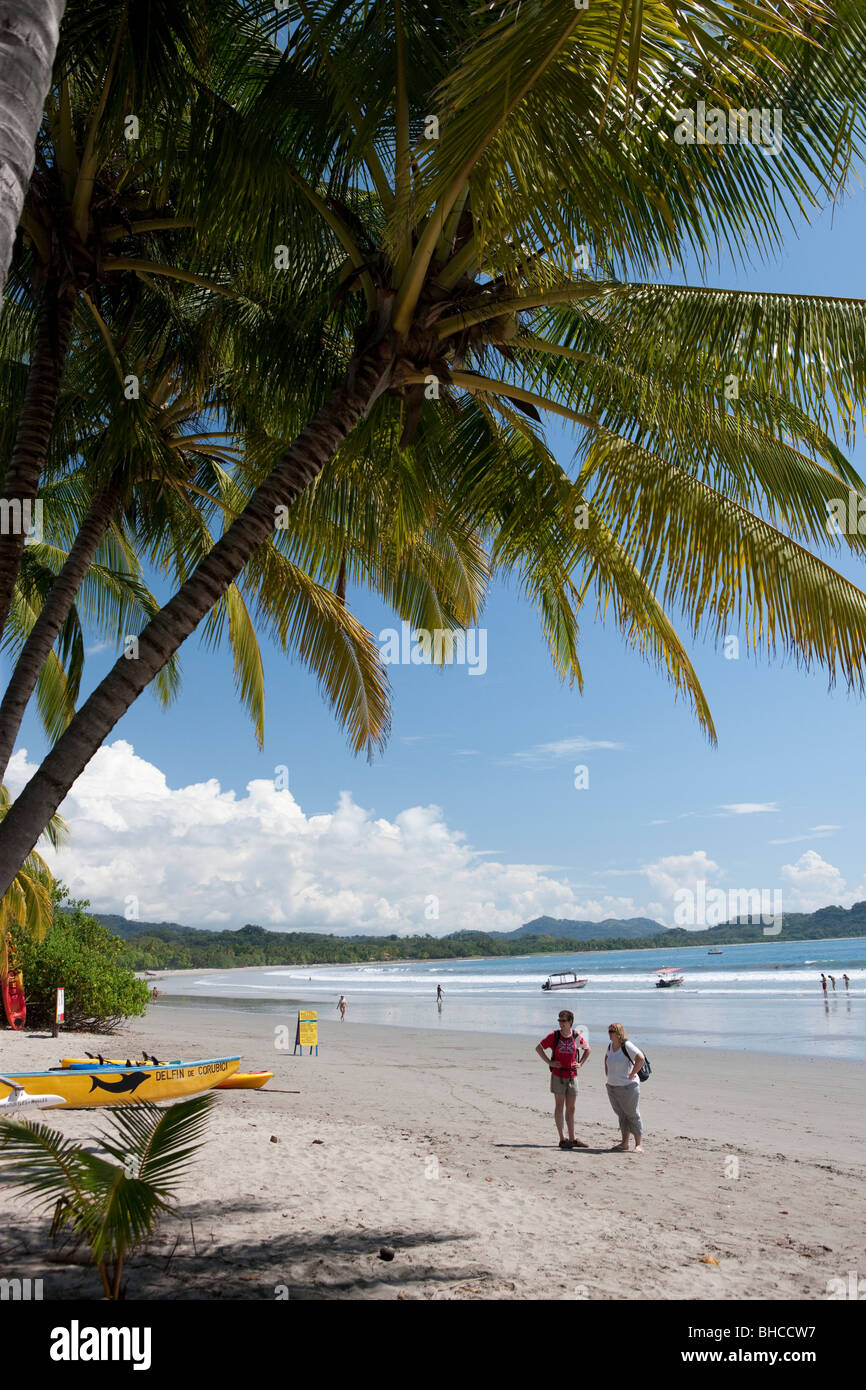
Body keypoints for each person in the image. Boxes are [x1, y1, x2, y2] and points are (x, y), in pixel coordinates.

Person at [535, 1011, 590, 1150]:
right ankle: (562, 1138)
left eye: (563, 1020)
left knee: (571, 1108)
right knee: (559, 1106)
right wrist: (549, 1062)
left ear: (570, 1021)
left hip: (572, 1076)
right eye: (559, 1020)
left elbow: (587, 1049)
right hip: (558, 1075)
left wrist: (581, 1063)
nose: (561, 1023)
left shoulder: (576, 1036)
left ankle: (572, 1138)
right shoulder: (555, 1036)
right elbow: (539, 1048)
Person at [604, 1023, 645, 1154]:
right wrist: (608, 1074)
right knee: (621, 1115)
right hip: (612, 1086)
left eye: (612, 1031)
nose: (610, 1033)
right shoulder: (610, 1046)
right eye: (609, 1031)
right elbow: (606, 1059)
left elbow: (640, 1058)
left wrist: (633, 1073)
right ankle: (624, 1143)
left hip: (628, 1087)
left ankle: (639, 1144)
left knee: (632, 1114)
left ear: (619, 1033)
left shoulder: (626, 1045)